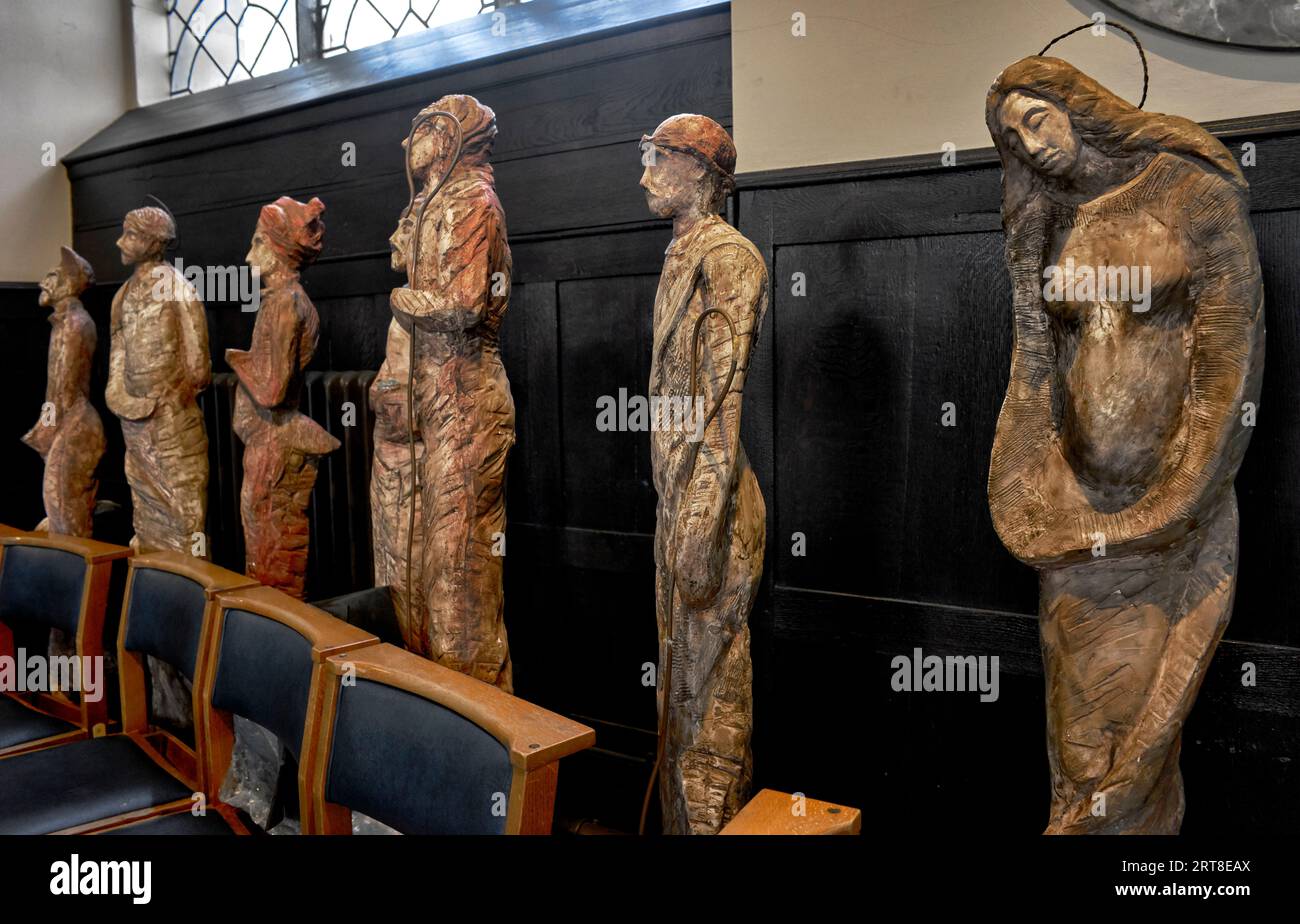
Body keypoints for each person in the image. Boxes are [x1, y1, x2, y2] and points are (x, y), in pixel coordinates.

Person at [986, 56, 1265, 834]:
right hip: (1076, 511)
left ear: (1080, 106)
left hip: (1167, 515)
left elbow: (1228, 373)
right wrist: (1022, 495)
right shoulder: (1044, 216)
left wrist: (1178, 501)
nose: (1031, 144)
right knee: (1080, 745)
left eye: (1037, 117)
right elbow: (1033, 365)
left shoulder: (1192, 194)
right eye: (1012, 135)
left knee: (1138, 755)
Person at [640, 114, 768, 834]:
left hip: (710, 503)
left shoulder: (732, 258)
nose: (646, 172)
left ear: (699, 169)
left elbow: (725, 397)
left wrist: (700, 514)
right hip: (679, 497)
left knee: (711, 693)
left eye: (658, 157)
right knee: (678, 697)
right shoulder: (681, 252)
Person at [386, 95, 515, 690]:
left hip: (467, 401)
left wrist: (407, 301)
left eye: (421, 128)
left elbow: (464, 306)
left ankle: (484, 748)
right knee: (414, 571)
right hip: (432, 402)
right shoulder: (433, 201)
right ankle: (435, 732)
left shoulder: (471, 200)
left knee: (457, 572)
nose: (409, 142)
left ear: (449, 135)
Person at [227, 196, 338, 599]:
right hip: (266, 442)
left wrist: (237, 360)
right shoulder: (279, 302)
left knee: (271, 549)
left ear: (277, 251)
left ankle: (275, 641)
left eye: (257, 243)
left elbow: (272, 391)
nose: (247, 254)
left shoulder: (285, 305)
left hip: (275, 444)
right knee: (263, 542)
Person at [106, 205, 211, 556]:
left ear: (154, 243)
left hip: (171, 420)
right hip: (133, 419)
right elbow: (118, 350)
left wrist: (166, 398)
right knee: (144, 503)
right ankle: (154, 584)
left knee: (184, 507)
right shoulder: (122, 295)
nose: (121, 242)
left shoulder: (177, 288)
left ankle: (189, 589)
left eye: (131, 235)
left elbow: (199, 367)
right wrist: (118, 394)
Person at [23, 246, 104, 538]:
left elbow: (63, 388)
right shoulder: (64, 324)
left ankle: (75, 577)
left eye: (53, 275)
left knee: (65, 514)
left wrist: (48, 428)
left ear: (70, 282)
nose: (44, 282)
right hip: (68, 423)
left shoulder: (74, 325)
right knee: (58, 509)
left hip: (75, 424)